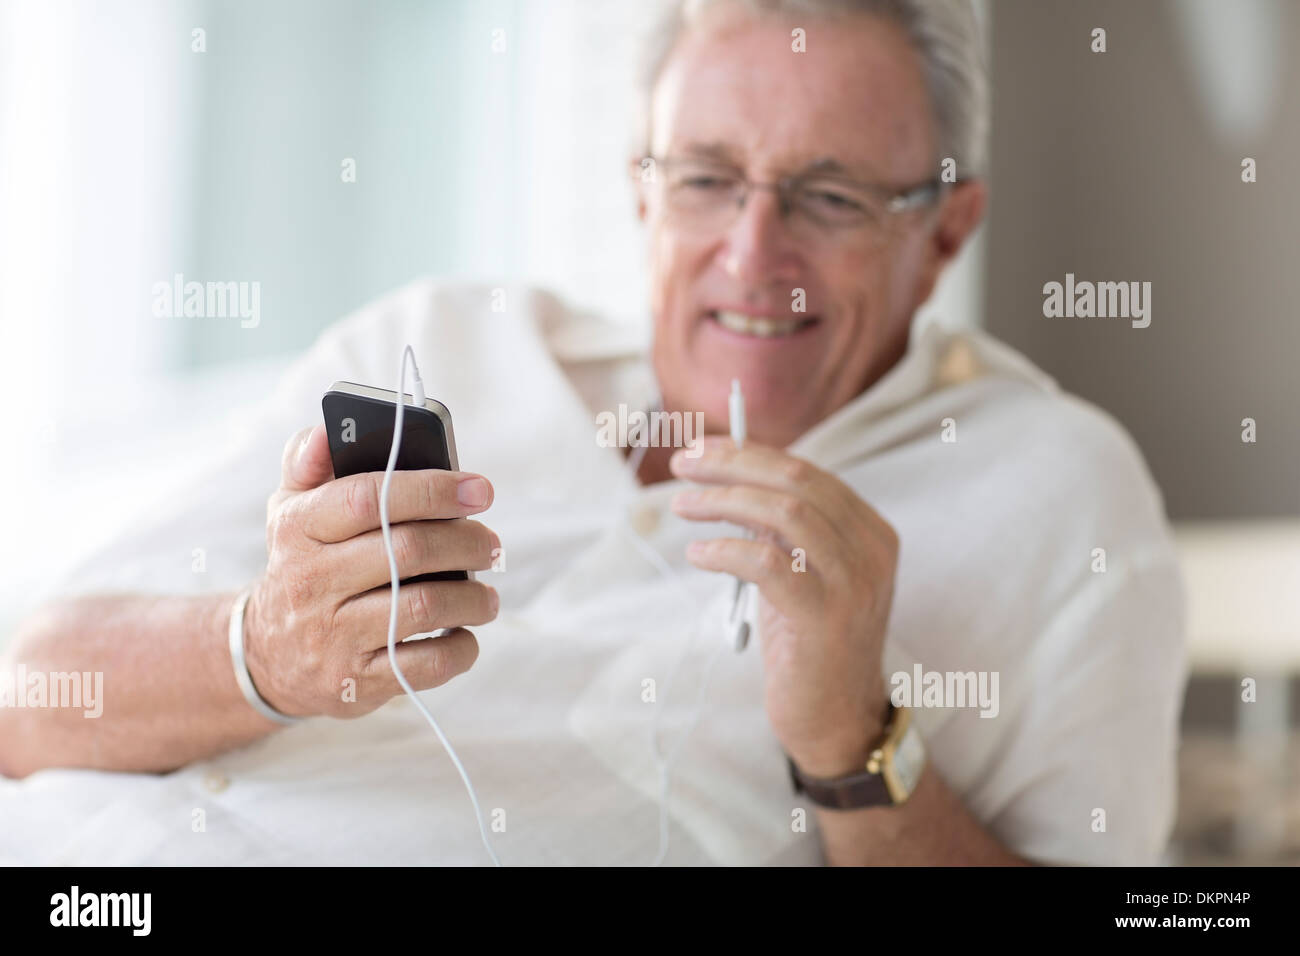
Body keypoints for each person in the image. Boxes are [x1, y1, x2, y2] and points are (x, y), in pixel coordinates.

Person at [0, 0, 1185, 866]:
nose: (750, 255)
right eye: (706, 179)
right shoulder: (441, 341)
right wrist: (263, 649)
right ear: (637, 187)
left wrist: (850, 739)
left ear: (944, 232)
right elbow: (23, 696)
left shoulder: (1056, 491)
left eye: (829, 197)